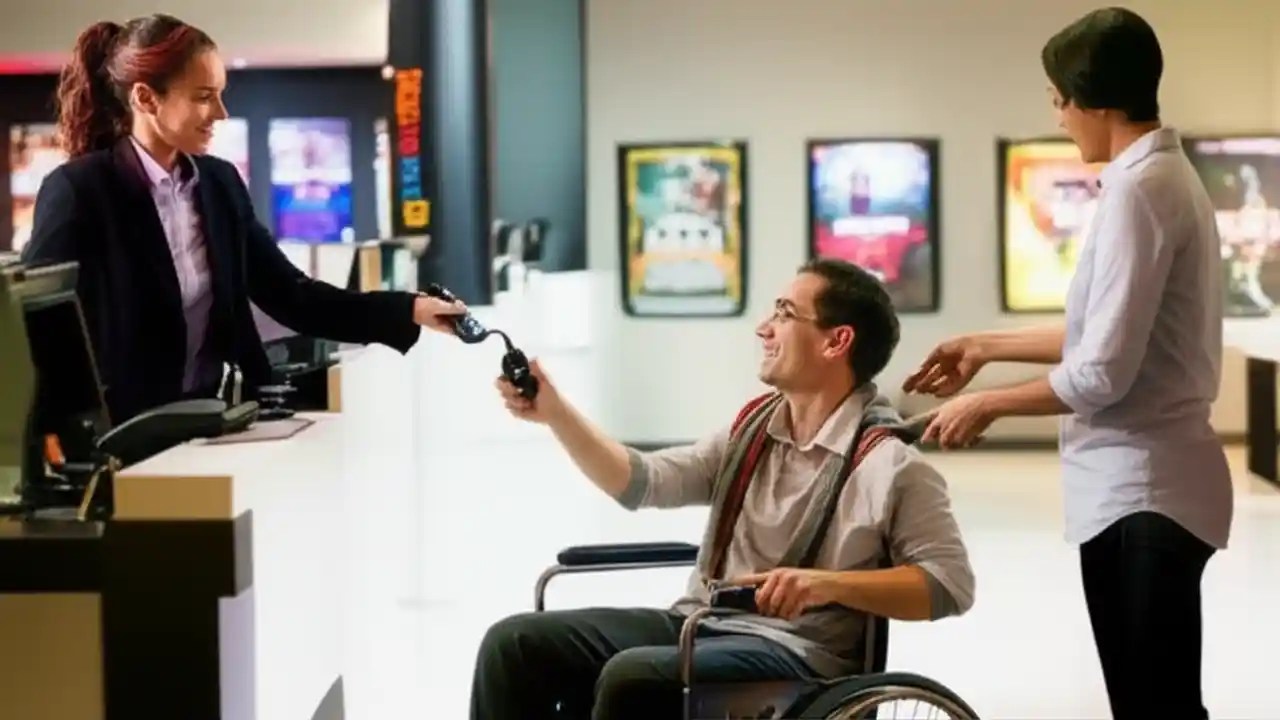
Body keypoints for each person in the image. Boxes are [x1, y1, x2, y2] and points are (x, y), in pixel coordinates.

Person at [903, 8, 1229, 720]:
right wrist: (981, 348)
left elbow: (1100, 375)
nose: (1058, 117)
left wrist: (981, 404)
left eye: (1059, 99)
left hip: (1145, 493)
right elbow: (1102, 334)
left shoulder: (1141, 193)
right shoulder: (1156, 180)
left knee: (1155, 709)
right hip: (1149, 490)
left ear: (1097, 100)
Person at [472, 259, 975, 719]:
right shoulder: (753, 430)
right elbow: (642, 482)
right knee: (514, 643)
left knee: (636, 678)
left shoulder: (890, 464)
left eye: (784, 314)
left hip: (796, 652)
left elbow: (948, 585)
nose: (764, 328)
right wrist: (556, 413)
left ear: (835, 342)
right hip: (705, 622)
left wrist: (824, 584)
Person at [19, 14, 466, 426]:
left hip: (208, 419)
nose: (221, 113)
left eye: (220, 94)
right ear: (145, 98)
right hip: (117, 435)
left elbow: (293, 296)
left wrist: (409, 308)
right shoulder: (81, 189)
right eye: (203, 97)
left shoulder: (219, 184)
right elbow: (36, 329)